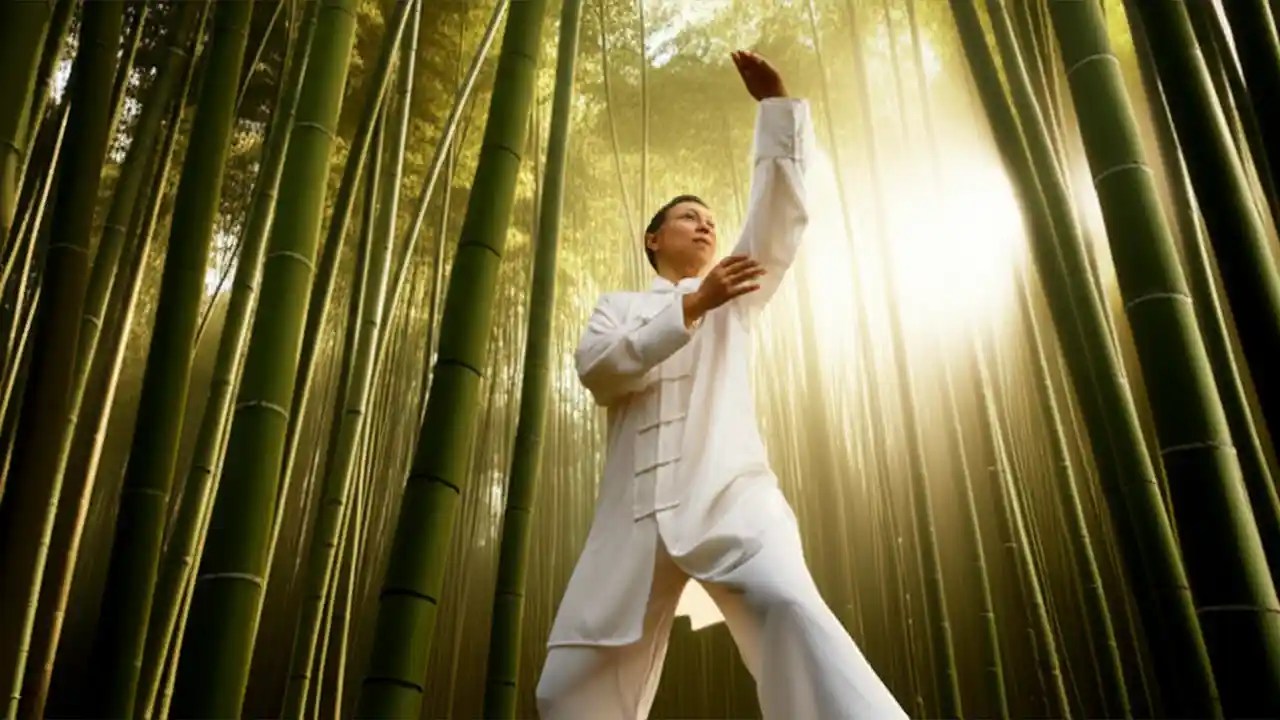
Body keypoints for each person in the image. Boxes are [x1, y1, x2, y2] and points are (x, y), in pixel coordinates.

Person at [535, 49, 907, 720]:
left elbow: (779, 218)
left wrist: (778, 110)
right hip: (631, 521)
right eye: (687, 216)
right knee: (567, 689)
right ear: (653, 239)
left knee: (788, 606)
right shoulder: (619, 307)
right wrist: (690, 307)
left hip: (726, 493)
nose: (705, 222)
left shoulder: (736, 289)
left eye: (710, 217)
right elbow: (599, 369)